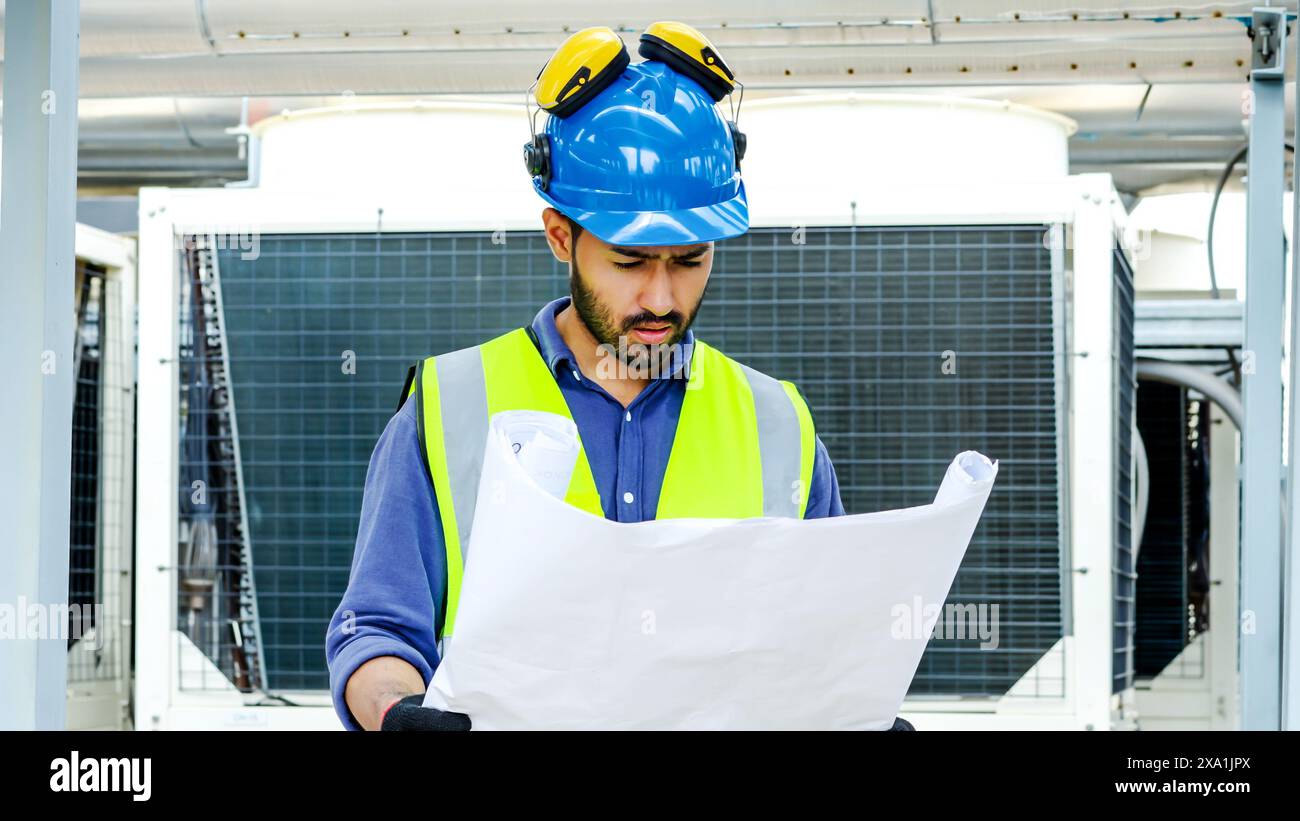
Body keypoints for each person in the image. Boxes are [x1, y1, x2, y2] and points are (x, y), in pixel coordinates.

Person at [325, 22, 910, 732]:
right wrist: (396, 710)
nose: (663, 298)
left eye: (691, 259)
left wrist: (855, 710)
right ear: (560, 235)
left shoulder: (778, 424)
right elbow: (375, 632)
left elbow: (824, 645)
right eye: (631, 262)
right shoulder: (447, 410)